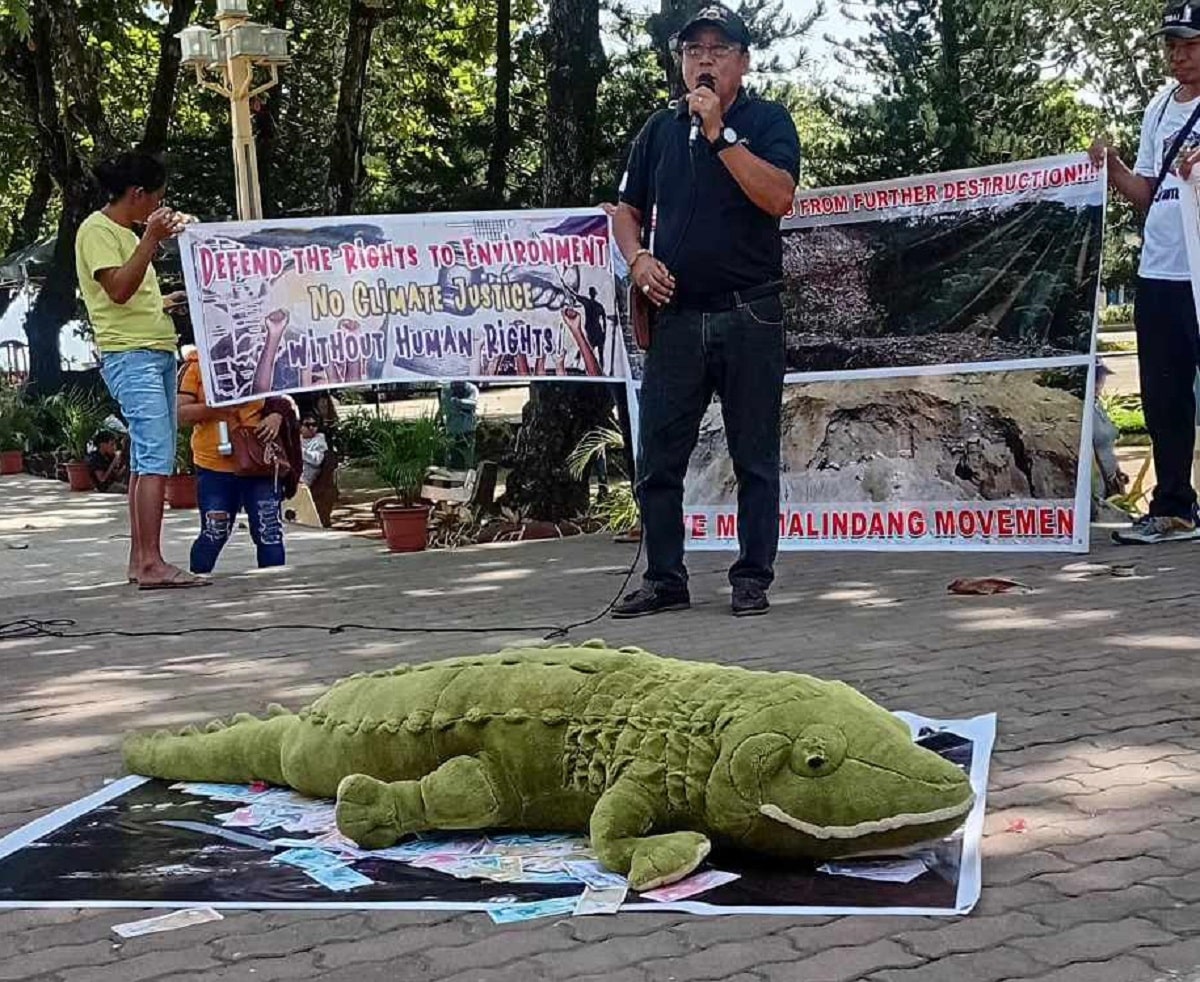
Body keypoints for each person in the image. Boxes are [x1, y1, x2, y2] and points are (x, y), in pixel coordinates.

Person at [610, 3, 799, 618]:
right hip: (678, 316)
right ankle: (665, 579)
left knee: (754, 458)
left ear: (743, 61)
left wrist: (720, 135)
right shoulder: (659, 130)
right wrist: (638, 259)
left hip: (751, 314)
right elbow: (626, 210)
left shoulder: (768, 121)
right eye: (694, 51)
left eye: (718, 50)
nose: (704, 60)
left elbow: (778, 196)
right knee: (658, 459)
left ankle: (752, 578)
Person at [1091, 1, 1200, 544]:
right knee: (1164, 396)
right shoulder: (1158, 108)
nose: (1178, 56)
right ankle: (1174, 507)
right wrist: (1110, 167)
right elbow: (1146, 192)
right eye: (1171, 46)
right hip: (1160, 270)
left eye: (1190, 45)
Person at [75, 150, 208, 589]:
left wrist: (165, 302)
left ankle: (141, 559)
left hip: (153, 351)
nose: (159, 207)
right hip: (132, 357)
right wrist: (151, 238)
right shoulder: (97, 231)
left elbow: (131, 297)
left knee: (146, 458)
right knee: (155, 457)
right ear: (137, 194)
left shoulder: (126, 234)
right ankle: (151, 562)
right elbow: (117, 289)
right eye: (157, 198)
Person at [177, 349, 296, 575]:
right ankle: (198, 581)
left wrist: (277, 415)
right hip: (214, 464)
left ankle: (276, 587)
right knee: (214, 532)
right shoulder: (195, 365)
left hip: (260, 461)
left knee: (269, 531)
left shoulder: (263, 356)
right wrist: (216, 407)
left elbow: (286, 394)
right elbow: (180, 413)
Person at [299, 415, 330, 487]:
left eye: (314, 425)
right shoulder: (295, 439)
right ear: (300, 426)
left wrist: (299, 451)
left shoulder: (319, 440)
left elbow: (317, 460)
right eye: (307, 425)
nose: (311, 428)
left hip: (305, 478)